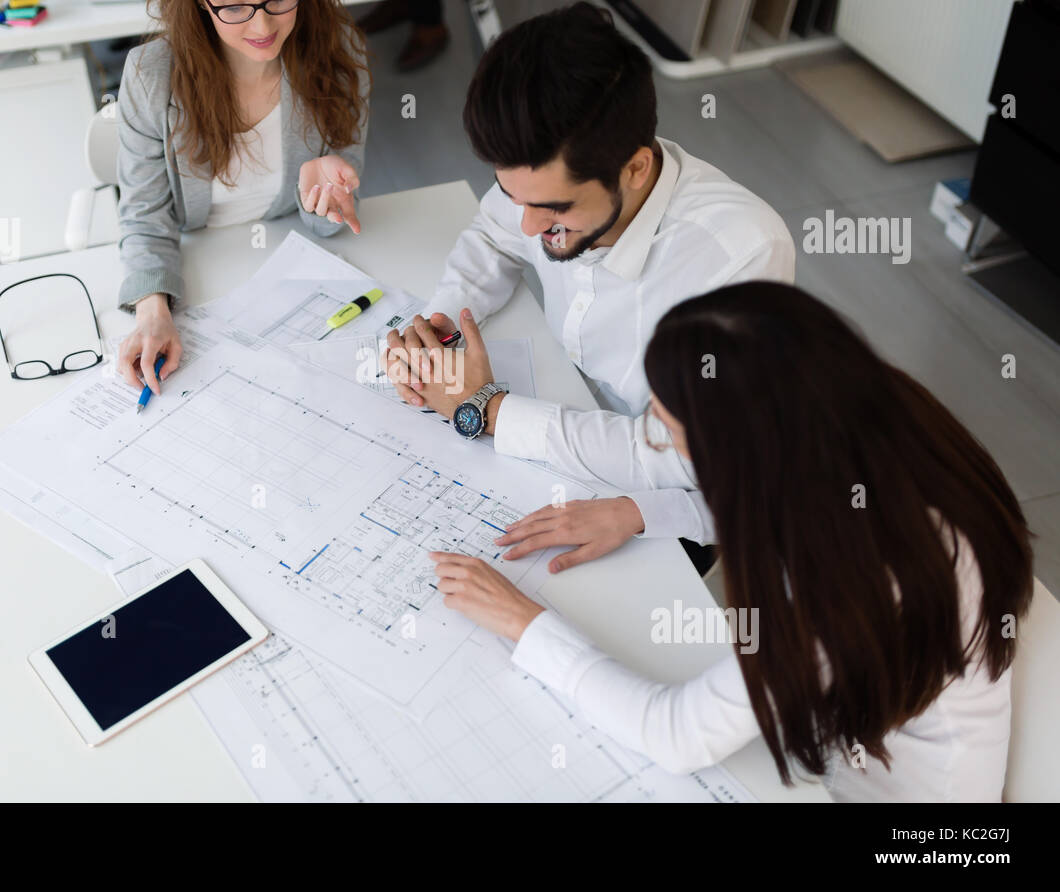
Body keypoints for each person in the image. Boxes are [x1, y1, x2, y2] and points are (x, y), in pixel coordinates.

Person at [420, 282, 1034, 801]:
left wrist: (524, 623)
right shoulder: (870, 415)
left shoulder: (856, 581)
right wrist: (641, 511)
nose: (659, 440)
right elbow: (780, 498)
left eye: (671, 430)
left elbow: (676, 735)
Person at [386, 3, 794, 558]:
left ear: (635, 169)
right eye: (513, 195)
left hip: (662, 503)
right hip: (555, 415)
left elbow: (683, 459)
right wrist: (441, 328)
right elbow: (491, 236)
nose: (528, 226)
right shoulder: (543, 180)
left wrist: (488, 409)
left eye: (553, 209)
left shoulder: (738, 259)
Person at [114, 0, 369, 395]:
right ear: (199, 0)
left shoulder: (341, 54)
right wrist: (153, 313)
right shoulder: (150, 75)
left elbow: (333, 225)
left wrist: (324, 201)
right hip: (196, 262)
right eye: (234, 6)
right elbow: (144, 216)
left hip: (286, 256)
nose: (263, 24)